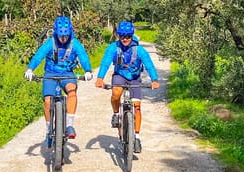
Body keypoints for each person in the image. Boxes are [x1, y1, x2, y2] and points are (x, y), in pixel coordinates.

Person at [24, 16, 93, 144]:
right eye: (61, 36)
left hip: (67, 73)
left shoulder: (75, 43)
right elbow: (39, 56)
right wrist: (30, 69)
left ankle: (69, 125)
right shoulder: (50, 43)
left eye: (65, 36)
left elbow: (83, 56)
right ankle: (48, 129)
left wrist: (88, 70)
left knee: (72, 91)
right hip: (50, 73)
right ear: (56, 33)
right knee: (48, 101)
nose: (63, 39)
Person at [95, 21, 160, 154]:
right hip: (120, 75)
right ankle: (115, 114)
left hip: (135, 78)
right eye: (122, 36)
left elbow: (148, 64)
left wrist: (154, 79)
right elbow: (105, 62)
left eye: (128, 36)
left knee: (137, 106)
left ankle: (136, 138)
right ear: (119, 36)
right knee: (116, 93)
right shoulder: (113, 48)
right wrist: (100, 78)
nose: (125, 39)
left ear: (131, 36)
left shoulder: (139, 50)